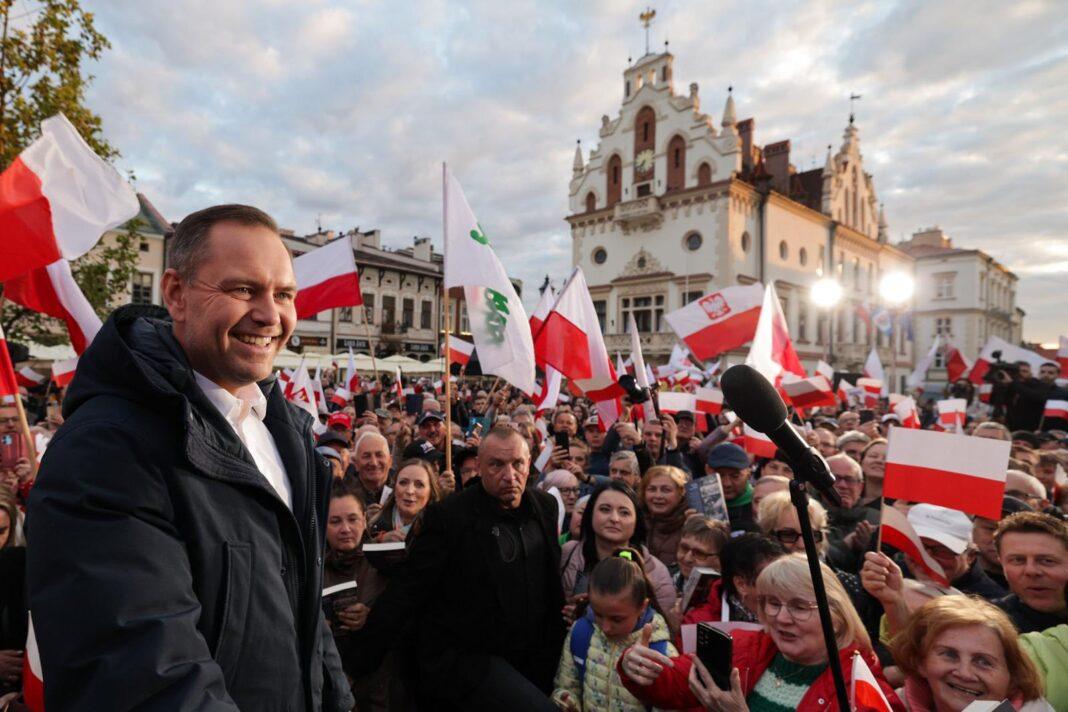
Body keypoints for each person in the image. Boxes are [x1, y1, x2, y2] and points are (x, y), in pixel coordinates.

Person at [26, 204, 352, 710]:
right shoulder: (106, 451)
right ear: (176, 294)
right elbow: (146, 678)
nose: (271, 315)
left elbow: (305, 617)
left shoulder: (284, 433)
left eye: (284, 294)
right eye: (244, 289)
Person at [344, 426, 565, 710]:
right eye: (497, 464)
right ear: (480, 468)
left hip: (535, 660)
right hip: (471, 664)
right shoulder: (450, 517)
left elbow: (550, 584)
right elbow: (406, 593)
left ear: (529, 463)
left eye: (517, 464)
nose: (510, 476)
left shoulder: (544, 507)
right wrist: (356, 664)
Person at [618, 553, 903, 711]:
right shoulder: (745, 646)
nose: (781, 617)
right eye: (772, 603)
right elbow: (677, 681)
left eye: (799, 607)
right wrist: (637, 665)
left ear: (837, 616)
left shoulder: (861, 691)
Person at [552, 549, 678, 712]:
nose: (605, 627)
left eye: (617, 619)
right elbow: (566, 684)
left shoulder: (661, 655)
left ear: (642, 607)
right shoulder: (581, 633)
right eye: (598, 614)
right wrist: (566, 700)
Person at [890, 596, 1052, 711]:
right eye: (949, 655)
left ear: (1012, 677)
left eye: (983, 662)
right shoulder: (888, 706)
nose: (965, 674)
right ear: (920, 662)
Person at [560, 481, 677, 624]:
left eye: (624, 513)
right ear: (590, 514)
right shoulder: (568, 553)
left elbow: (663, 628)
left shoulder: (655, 572)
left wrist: (594, 618)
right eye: (605, 509)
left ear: (636, 521)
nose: (614, 518)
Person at [322, 480, 391, 711]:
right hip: (331, 685)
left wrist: (373, 615)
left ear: (364, 519)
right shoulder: (311, 571)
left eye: (352, 519)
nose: (345, 529)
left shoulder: (384, 563)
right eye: (335, 521)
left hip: (380, 687)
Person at [681, 533, 787, 627]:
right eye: (772, 580)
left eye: (783, 576)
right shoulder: (698, 625)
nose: (782, 586)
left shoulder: (795, 610)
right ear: (741, 585)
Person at [993, 511, 1068, 633]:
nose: (1031, 571)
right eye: (1018, 560)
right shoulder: (991, 626)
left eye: (1047, 561)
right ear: (1001, 563)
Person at [823, 453, 880, 573]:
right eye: (835, 478)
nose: (843, 485)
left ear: (860, 487)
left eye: (850, 480)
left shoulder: (875, 519)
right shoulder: (807, 514)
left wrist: (869, 545)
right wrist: (845, 546)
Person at [973, 496, 1034, 589]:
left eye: (1010, 531)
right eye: (991, 529)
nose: (997, 538)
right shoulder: (952, 575)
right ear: (973, 529)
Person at [640, 465, 690, 567]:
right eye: (652, 489)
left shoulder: (689, 523)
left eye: (666, 490)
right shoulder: (636, 520)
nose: (658, 496)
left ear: (681, 492)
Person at [705, 442, 757, 533]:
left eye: (735, 476)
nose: (727, 484)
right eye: (720, 475)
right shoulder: (698, 503)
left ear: (748, 474)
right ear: (707, 471)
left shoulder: (758, 505)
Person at [670, 516, 730, 591]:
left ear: (720, 559)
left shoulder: (730, 594)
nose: (687, 559)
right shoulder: (664, 579)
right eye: (684, 548)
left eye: (699, 553)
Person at [351, 431, 393, 518]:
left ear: (390, 461)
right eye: (366, 456)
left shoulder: (402, 490)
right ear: (355, 463)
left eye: (379, 455)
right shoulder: (345, 494)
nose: (374, 463)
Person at [539, 469, 582, 533]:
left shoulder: (580, 522)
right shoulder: (539, 522)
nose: (572, 496)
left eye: (575, 490)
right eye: (565, 490)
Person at [859, 437, 888, 506]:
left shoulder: (898, 504)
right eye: (873, 456)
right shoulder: (849, 496)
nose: (879, 461)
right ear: (861, 462)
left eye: (886, 458)